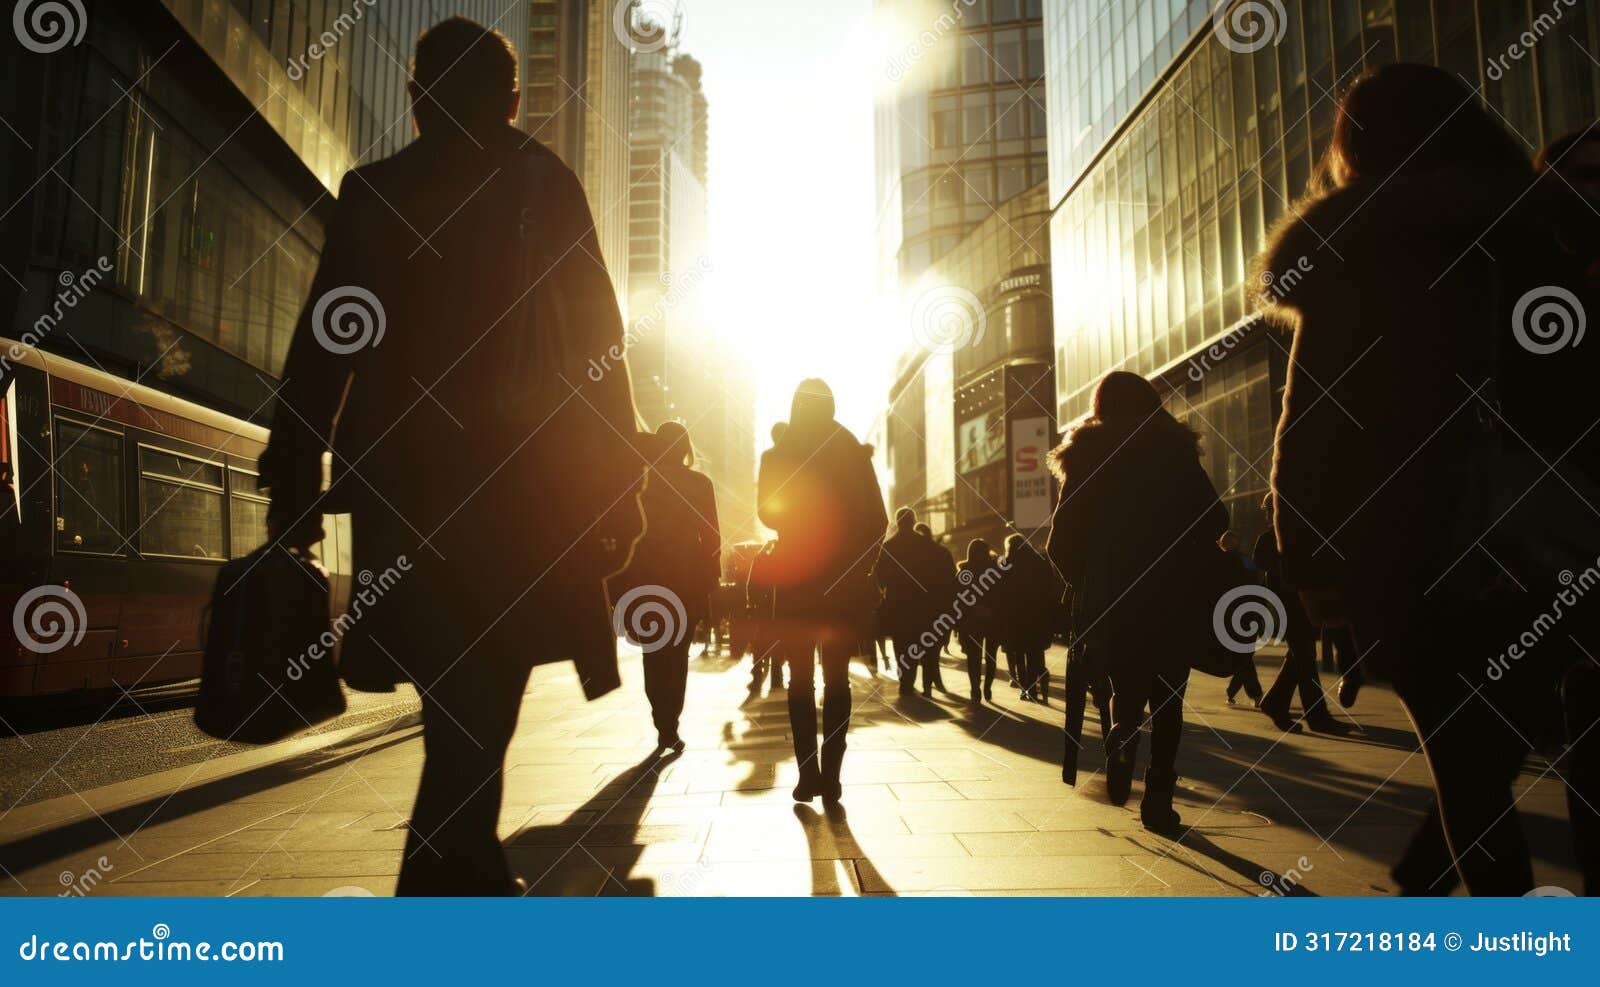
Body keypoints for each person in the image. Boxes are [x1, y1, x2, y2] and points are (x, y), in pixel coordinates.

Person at [257, 19, 644, 896]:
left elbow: (325, 344)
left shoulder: (376, 191)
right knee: (478, 711)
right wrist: (620, 488)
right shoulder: (545, 186)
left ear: (417, 94)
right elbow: (600, 344)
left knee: (456, 711)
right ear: (511, 100)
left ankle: (461, 881)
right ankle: (454, 886)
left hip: (410, 502)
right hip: (526, 503)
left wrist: (293, 471)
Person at [1259, 63, 1599, 893]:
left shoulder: (1351, 252)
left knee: (1470, 769)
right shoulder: (1539, 233)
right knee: (1498, 746)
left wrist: (1310, 565)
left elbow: (1311, 423)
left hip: (1406, 552)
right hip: (1548, 542)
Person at [1047, 371, 1230, 834]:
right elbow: (1216, 516)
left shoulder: (1085, 453)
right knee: (1170, 699)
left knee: (1126, 681)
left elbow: (1061, 540)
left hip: (1114, 599)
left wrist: (1085, 583)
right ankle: (1158, 799)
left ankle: (1123, 730)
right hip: (1173, 595)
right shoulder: (1173, 448)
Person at [758, 379, 887, 804]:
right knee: (836, 678)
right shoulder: (852, 452)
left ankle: (806, 773)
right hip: (843, 585)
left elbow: (766, 511)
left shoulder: (777, 455)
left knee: (799, 678)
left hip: (797, 582)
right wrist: (859, 566)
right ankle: (832, 774)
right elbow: (878, 519)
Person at [611, 422, 720, 753]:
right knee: (677, 652)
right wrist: (710, 577)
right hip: (686, 579)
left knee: (653, 651)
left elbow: (623, 526)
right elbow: (711, 534)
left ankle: (662, 718)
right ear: (685, 447)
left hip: (646, 578)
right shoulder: (699, 483)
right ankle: (670, 719)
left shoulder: (641, 481)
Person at [1253, 497, 1349, 735]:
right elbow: (1261, 561)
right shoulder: (1269, 538)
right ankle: (1317, 716)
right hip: (1288, 605)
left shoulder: (1292, 535)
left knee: (1300, 656)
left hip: (1300, 602)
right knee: (1304, 657)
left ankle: (1275, 703)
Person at [876, 508, 937, 696]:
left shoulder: (889, 546)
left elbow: (880, 575)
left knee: (900, 642)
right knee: (919, 639)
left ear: (897, 522)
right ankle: (915, 678)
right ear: (913, 521)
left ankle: (906, 680)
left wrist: (885, 589)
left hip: (897, 601)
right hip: (921, 602)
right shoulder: (925, 545)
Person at [998, 533, 1056, 703]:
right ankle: (1038, 684)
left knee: (1019, 655)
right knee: (1034, 654)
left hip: (1016, 617)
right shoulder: (1040, 562)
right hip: (1038, 616)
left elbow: (1002, 593)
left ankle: (1027, 688)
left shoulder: (1008, 564)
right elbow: (1049, 588)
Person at [955, 539, 1000, 702]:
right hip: (993, 619)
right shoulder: (996, 570)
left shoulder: (964, 572)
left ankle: (975, 688)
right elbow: (1002, 595)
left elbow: (957, 598)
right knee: (991, 656)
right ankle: (987, 687)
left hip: (970, 620)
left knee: (973, 657)